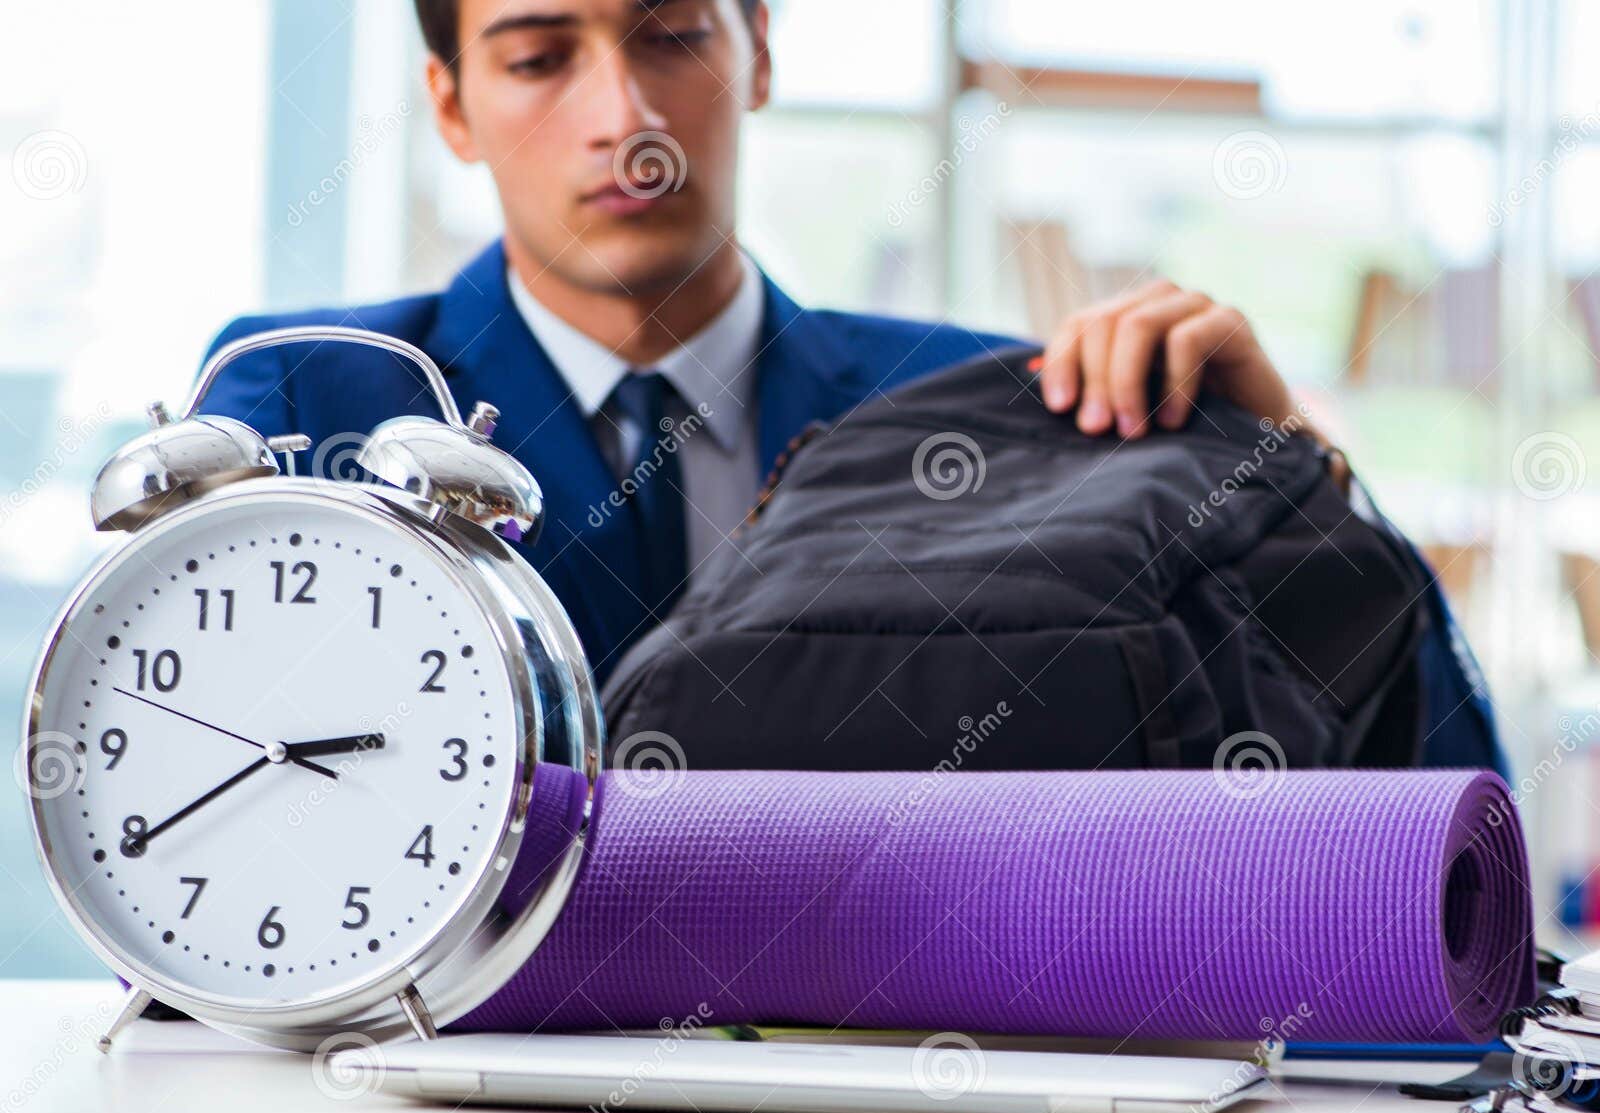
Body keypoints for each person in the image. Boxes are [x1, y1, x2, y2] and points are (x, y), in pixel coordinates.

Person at [197, 0, 1502, 769]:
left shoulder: (995, 409)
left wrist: (1287, 462)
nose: (624, 119)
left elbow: (1430, 799)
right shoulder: (317, 400)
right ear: (451, 107)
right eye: (541, 56)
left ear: (760, 50)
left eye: (670, 35)